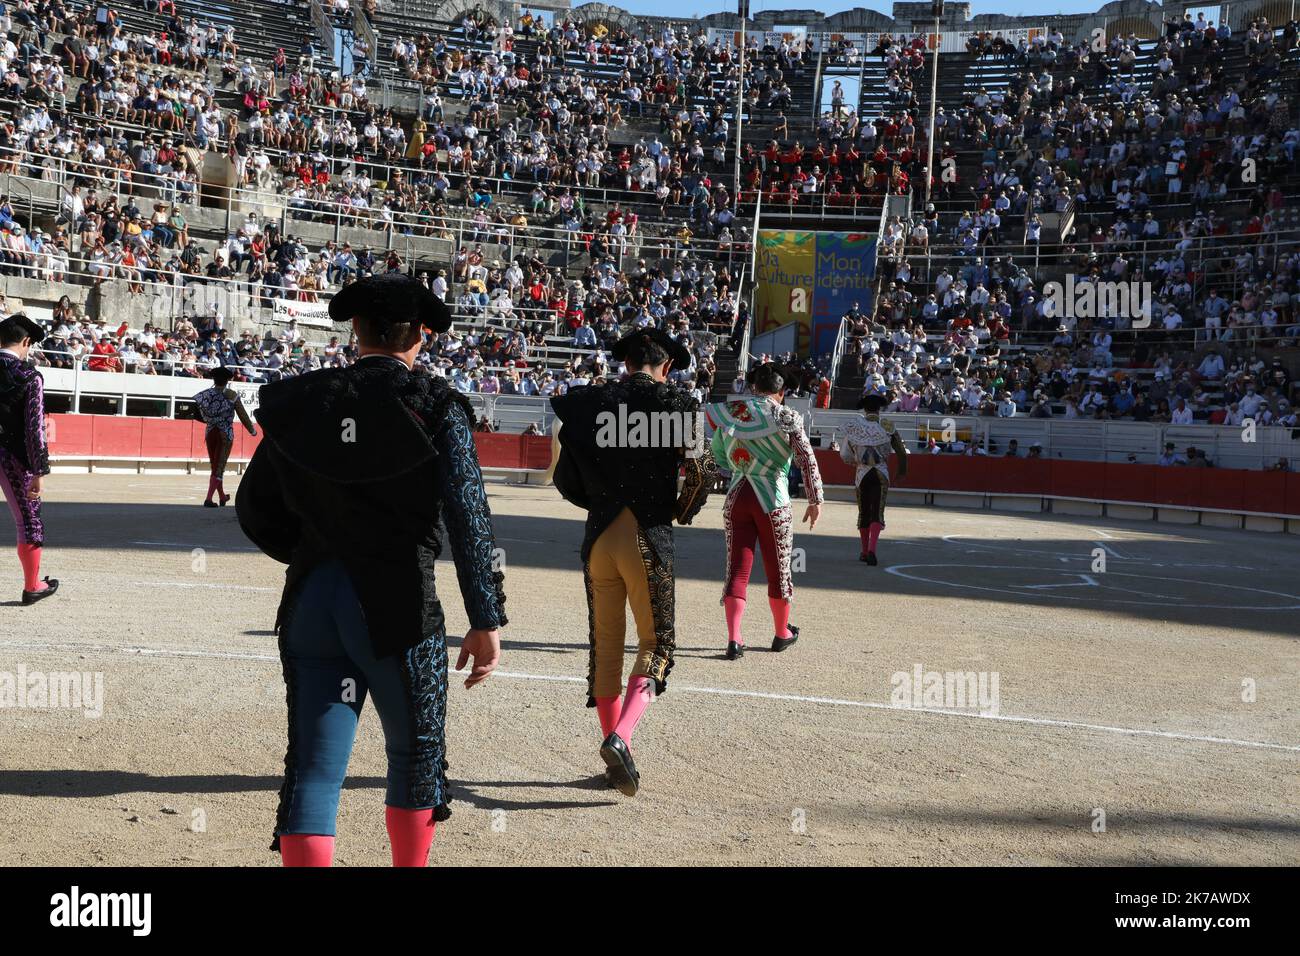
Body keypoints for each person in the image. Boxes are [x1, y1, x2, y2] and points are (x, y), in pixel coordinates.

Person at [236, 274, 507, 867]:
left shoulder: (301, 401)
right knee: (415, 758)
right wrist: (485, 616)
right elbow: (469, 516)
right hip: (395, 606)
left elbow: (255, 508)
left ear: (354, 329)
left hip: (312, 601)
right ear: (424, 335)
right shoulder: (436, 405)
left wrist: (313, 547)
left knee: (312, 765)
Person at [549, 328, 714, 797]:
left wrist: (599, 503)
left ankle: (612, 755)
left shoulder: (587, 404)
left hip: (599, 538)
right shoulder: (678, 405)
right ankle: (620, 737)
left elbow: (566, 478)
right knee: (656, 644)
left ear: (626, 364)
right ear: (666, 367)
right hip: (648, 536)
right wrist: (676, 511)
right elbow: (703, 473)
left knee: (605, 648)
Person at [705, 363, 823, 661]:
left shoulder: (731, 413)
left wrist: (737, 466)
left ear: (752, 387)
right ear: (781, 393)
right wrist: (814, 498)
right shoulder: (784, 416)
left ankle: (734, 638)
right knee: (778, 570)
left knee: (738, 568)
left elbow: (718, 452)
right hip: (773, 498)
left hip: (737, 495)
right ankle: (782, 633)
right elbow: (806, 459)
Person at [0, 315, 57, 604]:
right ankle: (32, 585)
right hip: (13, 457)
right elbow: (35, 429)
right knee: (28, 521)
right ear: (25, 342)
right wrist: (39, 471)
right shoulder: (29, 376)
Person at [839, 387, 909, 565]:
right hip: (881, 472)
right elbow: (901, 451)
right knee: (877, 512)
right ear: (879, 409)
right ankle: (872, 550)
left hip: (862, 473)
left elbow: (845, 455)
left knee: (864, 512)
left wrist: (857, 462)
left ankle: (863, 551)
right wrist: (901, 471)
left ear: (864, 409)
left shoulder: (855, 426)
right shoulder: (887, 426)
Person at [193, 367, 257, 507]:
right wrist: (252, 430)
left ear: (214, 380)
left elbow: (198, 413)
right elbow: (243, 415)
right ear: (228, 380)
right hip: (225, 433)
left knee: (215, 465)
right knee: (219, 466)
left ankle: (222, 496)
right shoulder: (232, 395)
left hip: (210, 432)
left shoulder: (205, 395)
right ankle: (209, 499)